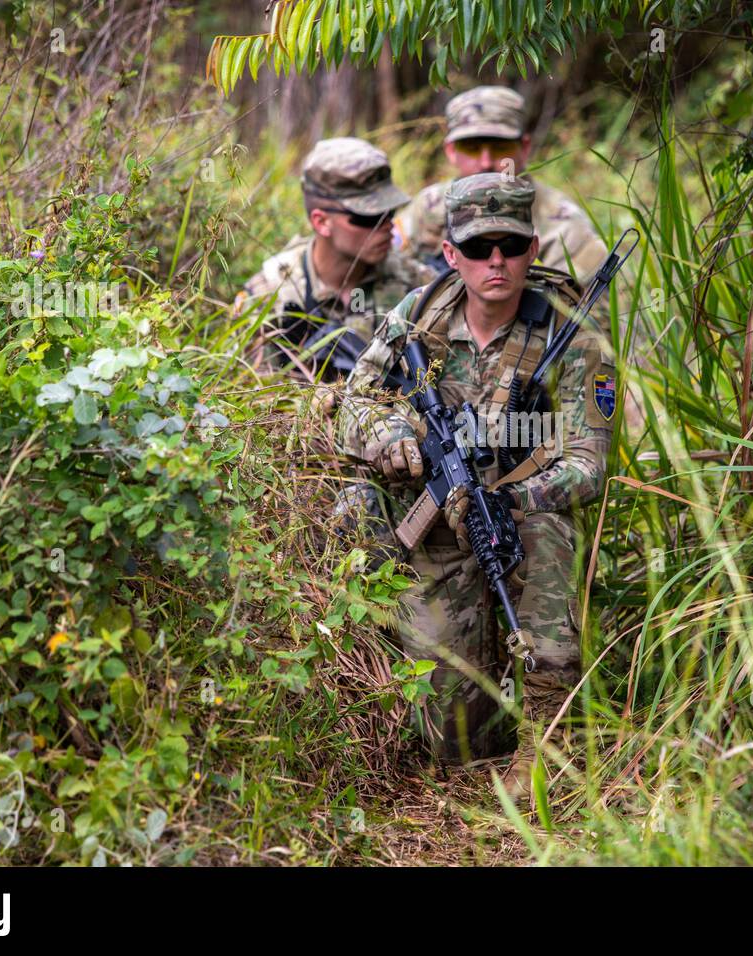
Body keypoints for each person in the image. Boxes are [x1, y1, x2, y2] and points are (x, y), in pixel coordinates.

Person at [337, 173, 616, 802]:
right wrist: (390, 438)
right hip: (434, 518)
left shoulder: (573, 338)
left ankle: (547, 739)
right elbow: (352, 402)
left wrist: (512, 500)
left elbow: (587, 465)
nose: (497, 261)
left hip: (515, 517)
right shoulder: (418, 316)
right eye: (481, 245)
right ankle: (354, 679)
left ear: (533, 249)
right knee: (451, 739)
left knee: (548, 535)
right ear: (451, 253)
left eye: (511, 246)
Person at [232, 137, 434, 375]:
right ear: (322, 221)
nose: (387, 225)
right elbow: (252, 398)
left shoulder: (418, 286)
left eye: (391, 212)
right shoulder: (268, 297)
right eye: (368, 217)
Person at [396, 86, 608, 283]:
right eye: (471, 148)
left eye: (500, 148)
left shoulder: (563, 222)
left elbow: (591, 311)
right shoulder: (428, 207)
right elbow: (386, 265)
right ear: (451, 151)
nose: (486, 162)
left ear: (524, 148)